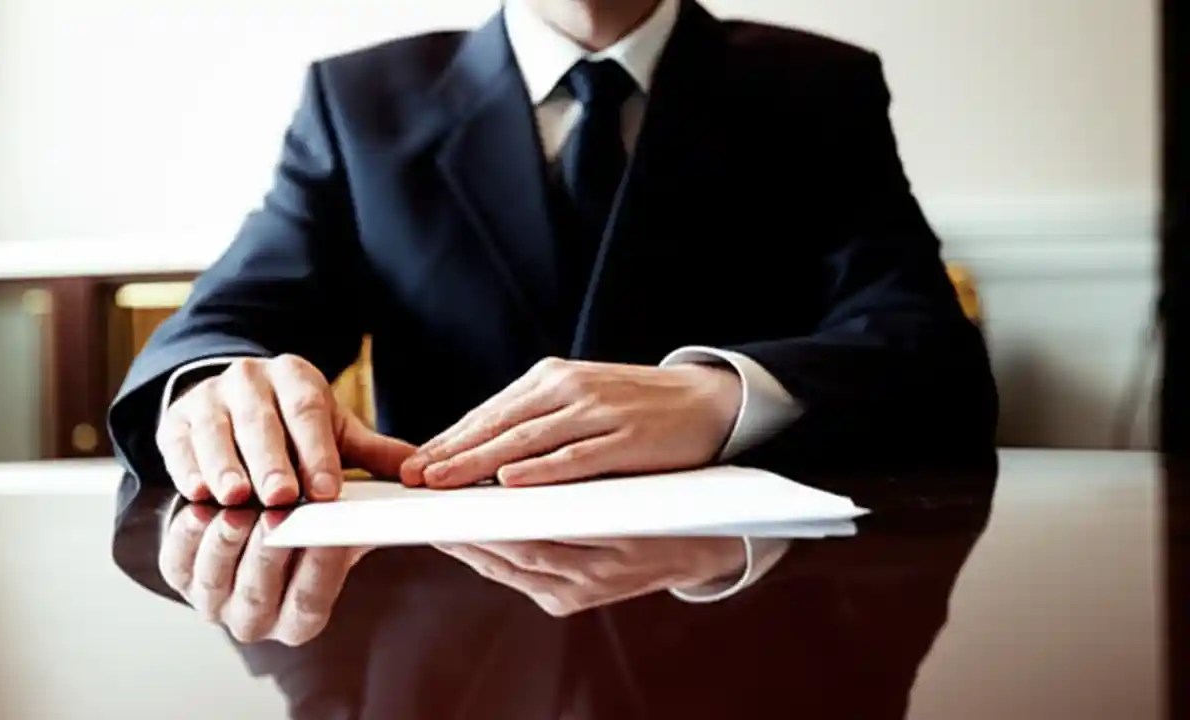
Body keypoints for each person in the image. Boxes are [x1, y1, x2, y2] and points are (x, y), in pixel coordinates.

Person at [109, 0, 998, 508]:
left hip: (747, 626)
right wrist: (217, 388)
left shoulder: (818, 88)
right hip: (442, 636)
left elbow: (931, 358)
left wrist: (720, 397)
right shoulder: (360, 101)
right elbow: (221, 328)